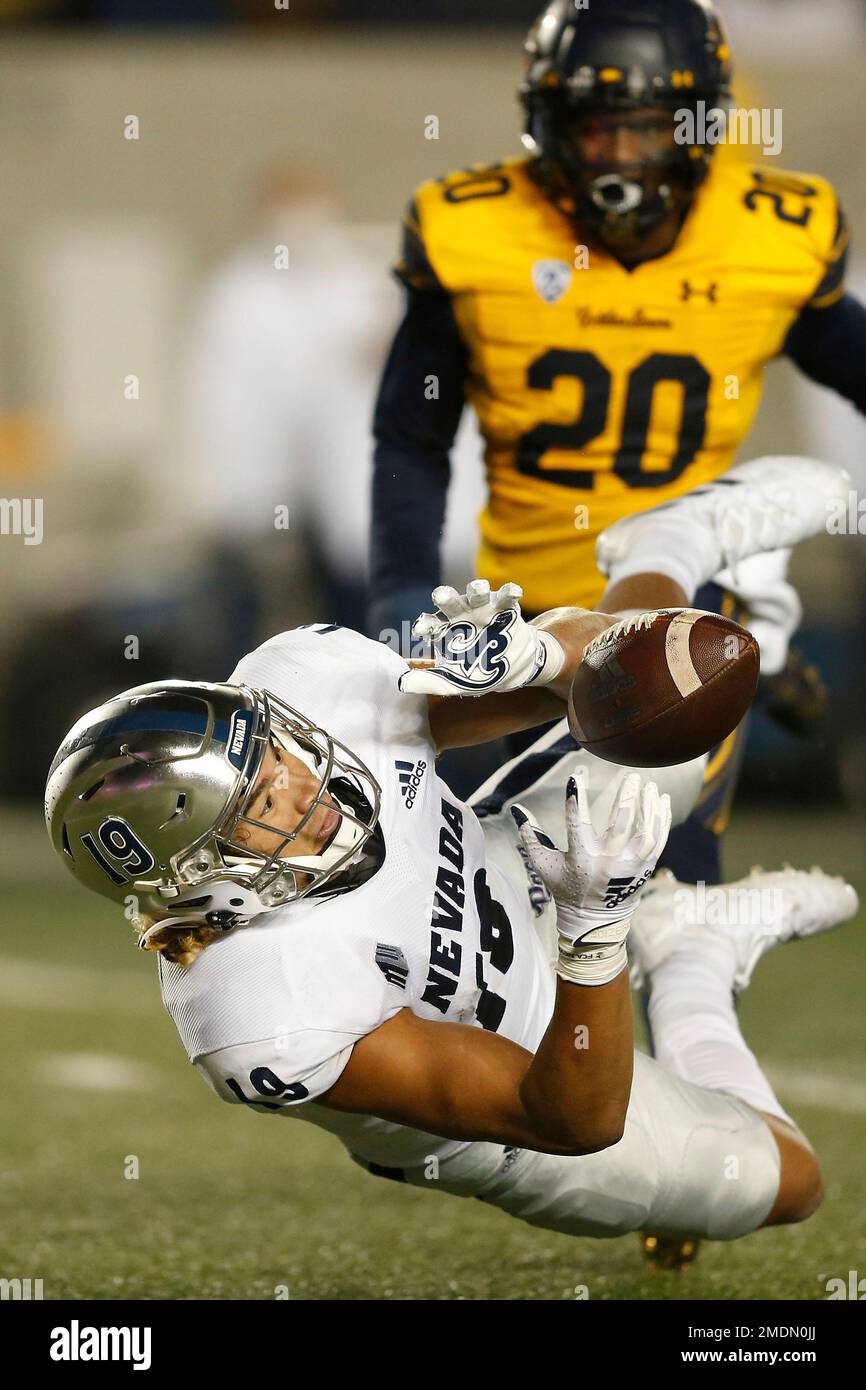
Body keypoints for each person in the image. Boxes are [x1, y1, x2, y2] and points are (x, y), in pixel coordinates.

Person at [45, 459, 857, 1251]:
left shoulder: (306, 682)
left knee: (666, 698)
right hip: (526, 1086)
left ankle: (667, 543)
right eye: (263, 805)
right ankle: (692, 962)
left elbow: (598, 675)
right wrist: (596, 926)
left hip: (518, 864)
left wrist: (536, 656)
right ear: (197, 881)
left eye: (281, 752)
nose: (307, 786)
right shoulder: (260, 1011)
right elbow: (570, 1117)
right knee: (789, 1181)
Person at [368, 0, 866, 884]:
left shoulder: (767, 238)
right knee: (484, 887)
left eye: (639, 130)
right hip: (520, 616)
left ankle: (759, 644)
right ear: (546, 124)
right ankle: (769, 654)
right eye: (589, 130)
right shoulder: (478, 233)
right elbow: (413, 434)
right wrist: (403, 593)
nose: (612, 159)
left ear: (701, 128)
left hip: (680, 610)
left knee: (665, 878)